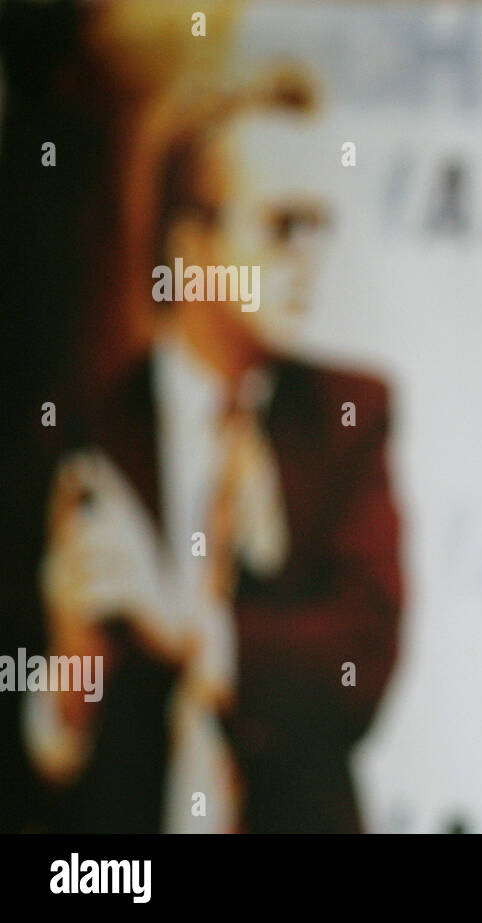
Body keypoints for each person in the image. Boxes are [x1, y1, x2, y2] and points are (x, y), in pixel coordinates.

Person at [28, 71, 403, 833]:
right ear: (191, 245)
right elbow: (40, 757)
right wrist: (70, 668)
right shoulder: (77, 430)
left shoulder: (347, 415)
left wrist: (192, 635)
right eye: (281, 224)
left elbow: (362, 659)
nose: (310, 255)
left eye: (319, 225)